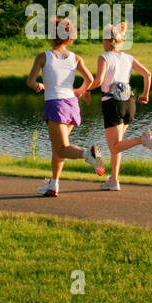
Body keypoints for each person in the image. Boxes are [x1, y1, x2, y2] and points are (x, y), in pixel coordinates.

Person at [25, 17, 104, 197]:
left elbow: (30, 81)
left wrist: (37, 86)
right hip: (72, 104)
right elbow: (90, 80)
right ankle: (53, 185)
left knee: (61, 148)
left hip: (55, 104)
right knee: (58, 148)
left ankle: (89, 153)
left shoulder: (43, 57)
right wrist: (79, 91)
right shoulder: (76, 58)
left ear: (52, 36)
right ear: (69, 37)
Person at [89, 21, 152, 191]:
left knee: (114, 146)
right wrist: (145, 94)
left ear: (107, 40)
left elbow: (98, 81)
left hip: (112, 103)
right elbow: (147, 74)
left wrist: (82, 89)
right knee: (117, 145)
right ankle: (113, 180)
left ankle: (142, 139)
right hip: (129, 103)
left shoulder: (104, 57)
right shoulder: (128, 57)